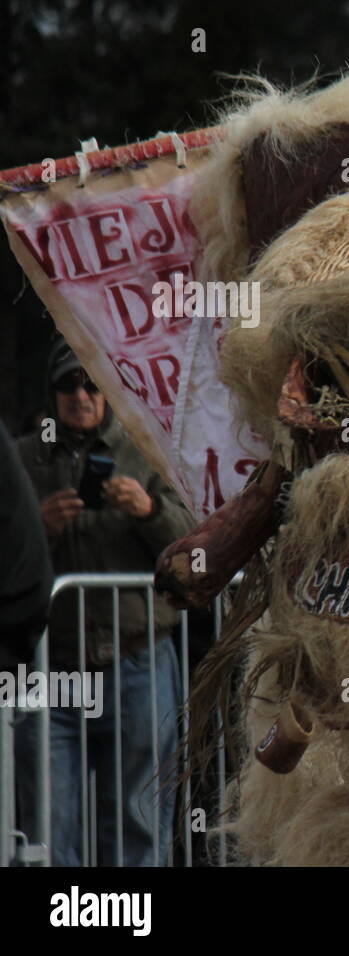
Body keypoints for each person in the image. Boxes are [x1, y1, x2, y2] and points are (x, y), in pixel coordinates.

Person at [13, 337, 193, 866]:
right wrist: (37, 528)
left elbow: (199, 553)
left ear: (109, 387)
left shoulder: (149, 447)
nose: (80, 395)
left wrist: (149, 509)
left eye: (91, 383)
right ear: (52, 393)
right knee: (48, 825)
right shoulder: (22, 458)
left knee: (139, 818)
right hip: (50, 669)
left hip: (136, 660)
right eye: (67, 385)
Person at [0, 420, 52, 668]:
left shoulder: (142, 446)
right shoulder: (29, 449)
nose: (80, 400)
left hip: (136, 648)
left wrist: (151, 511)